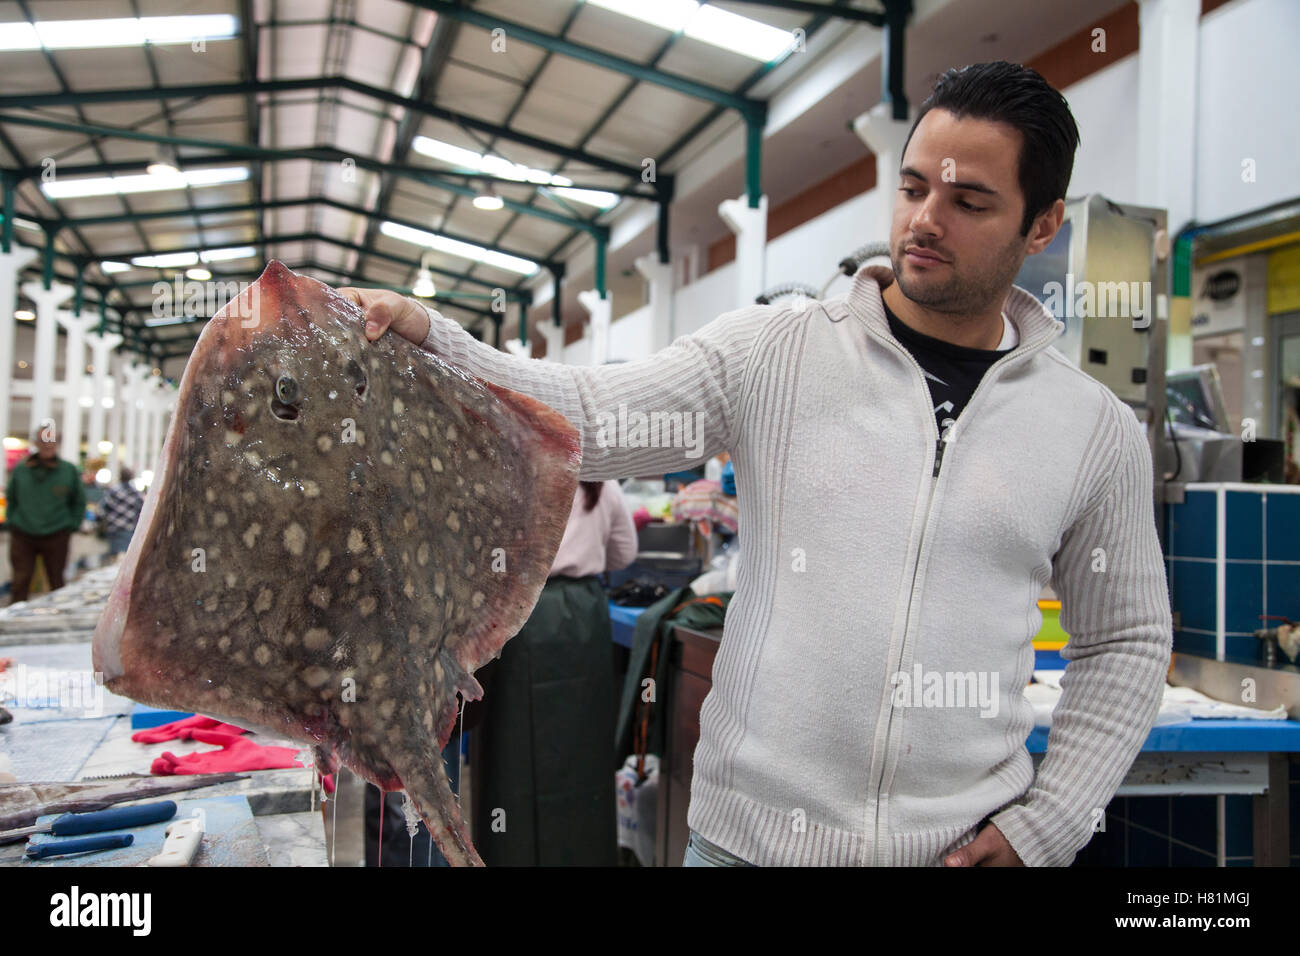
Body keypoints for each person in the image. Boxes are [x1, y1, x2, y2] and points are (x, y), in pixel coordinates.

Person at [343, 61, 1172, 868]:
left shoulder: (1090, 427)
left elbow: (1128, 640)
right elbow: (589, 414)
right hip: (751, 846)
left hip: (957, 847)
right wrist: (432, 340)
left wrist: (1051, 823)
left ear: (1041, 224)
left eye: (968, 202)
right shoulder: (776, 352)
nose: (925, 219)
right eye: (914, 187)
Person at [465, 479, 637, 865]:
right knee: (584, 750)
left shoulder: (510, 472)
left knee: (512, 749)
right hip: (583, 618)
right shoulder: (602, 482)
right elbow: (625, 552)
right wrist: (585, 553)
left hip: (518, 613)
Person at [5, 428, 86, 604]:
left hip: (57, 533)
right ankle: (14, 621)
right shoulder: (22, 469)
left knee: (56, 580)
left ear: (57, 443)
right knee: (20, 580)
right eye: (43, 441)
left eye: (52, 441)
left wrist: (71, 524)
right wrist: (13, 521)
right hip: (23, 533)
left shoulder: (68, 470)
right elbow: (11, 498)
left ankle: (59, 618)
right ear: (36, 443)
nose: (47, 445)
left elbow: (79, 501)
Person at [97, 466, 145, 557]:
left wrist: (98, 521)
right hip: (129, 528)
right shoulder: (136, 493)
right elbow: (141, 512)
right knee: (125, 556)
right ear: (131, 477)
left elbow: (102, 510)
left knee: (114, 556)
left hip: (113, 528)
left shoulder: (113, 491)